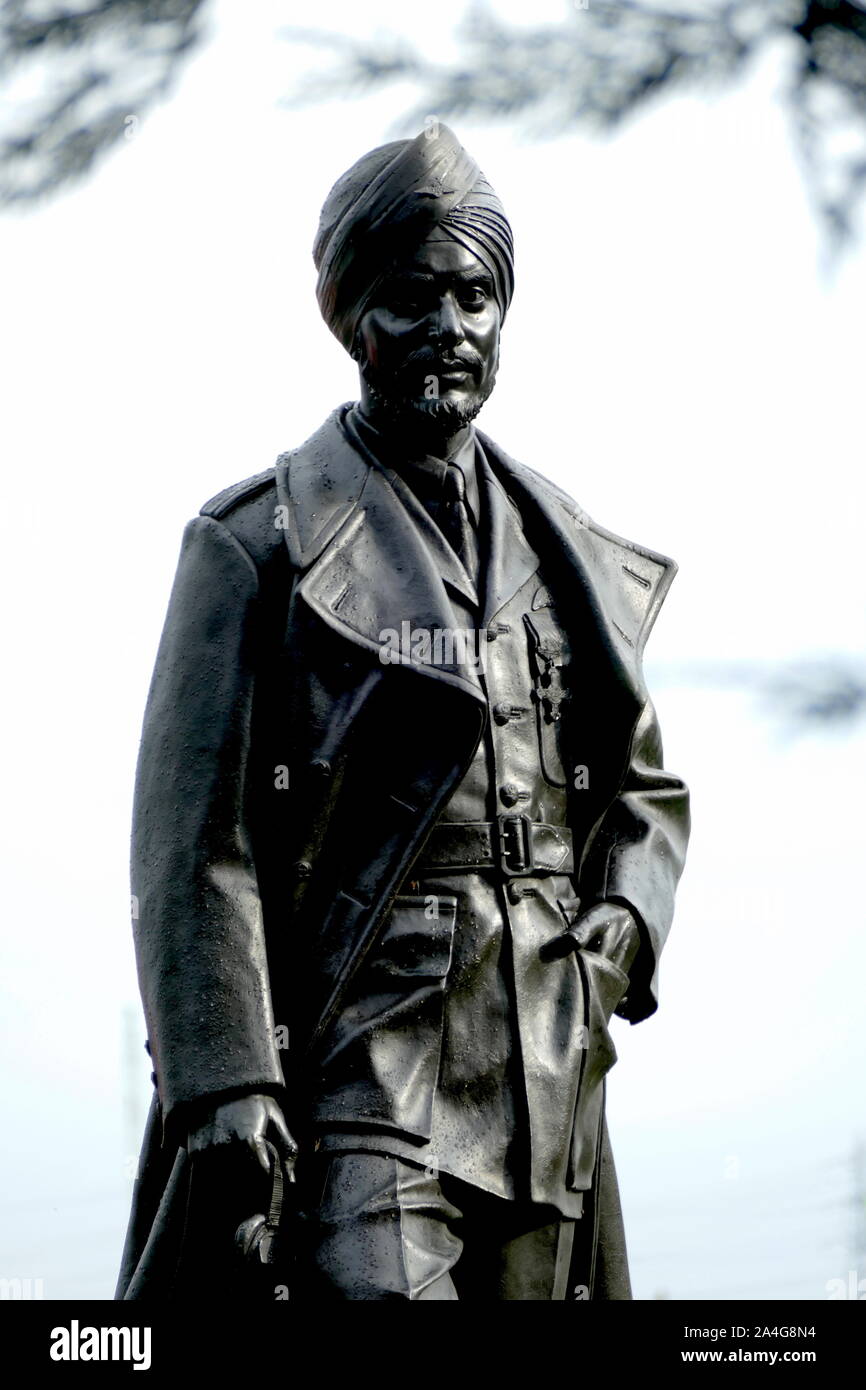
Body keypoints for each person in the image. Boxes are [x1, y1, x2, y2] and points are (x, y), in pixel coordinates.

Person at [116, 123, 690, 1302]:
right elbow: (194, 839)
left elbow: (639, 789)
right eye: (412, 297)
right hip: (361, 1053)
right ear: (351, 317)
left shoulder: (555, 540)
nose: (449, 330)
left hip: (541, 1047)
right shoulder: (253, 545)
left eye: (475, 296)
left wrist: (620, 934)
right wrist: (225, 1075)